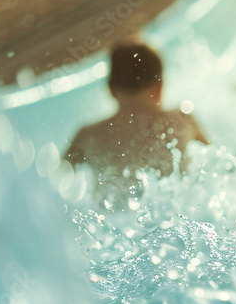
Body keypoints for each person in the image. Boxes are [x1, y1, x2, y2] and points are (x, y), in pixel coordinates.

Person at [65, 43, 208, 204]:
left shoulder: (87, 135)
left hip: (115, 220)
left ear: (111, 89)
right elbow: (216, 160)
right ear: (159, 87)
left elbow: (60, 177)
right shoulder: (182, 120)